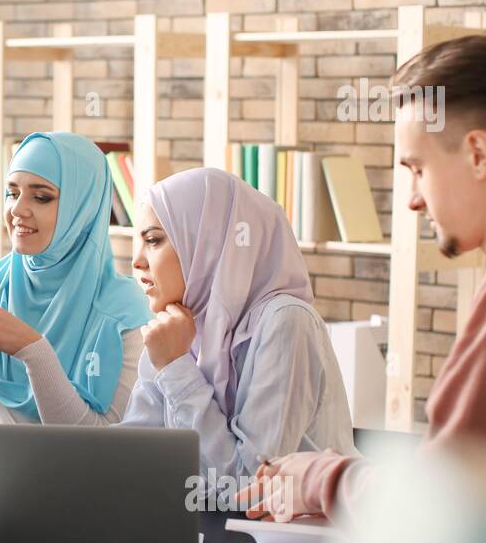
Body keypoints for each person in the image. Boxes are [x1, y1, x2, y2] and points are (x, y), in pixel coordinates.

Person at [240, 35, 486, 523]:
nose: (412, 199)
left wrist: (316, 478)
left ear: (478, 154)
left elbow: (444, 500)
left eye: (417, 168)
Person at [0, 131, 153, 451]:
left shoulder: (124, 311)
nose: (17, 210)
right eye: (12, 193)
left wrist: (34, 351)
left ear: (81, 208)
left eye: (41, 197)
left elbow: (103, 448)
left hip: (92, 496)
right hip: (5, 491)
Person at [118, 167, 356, 481]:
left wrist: (176, 368)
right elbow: (131, 452)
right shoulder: (179, 326)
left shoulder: (286, 323)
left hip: (286, 529)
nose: (137, 261)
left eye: (154, 241)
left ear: (207, 242)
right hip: (197, 525)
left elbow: (248, 484)